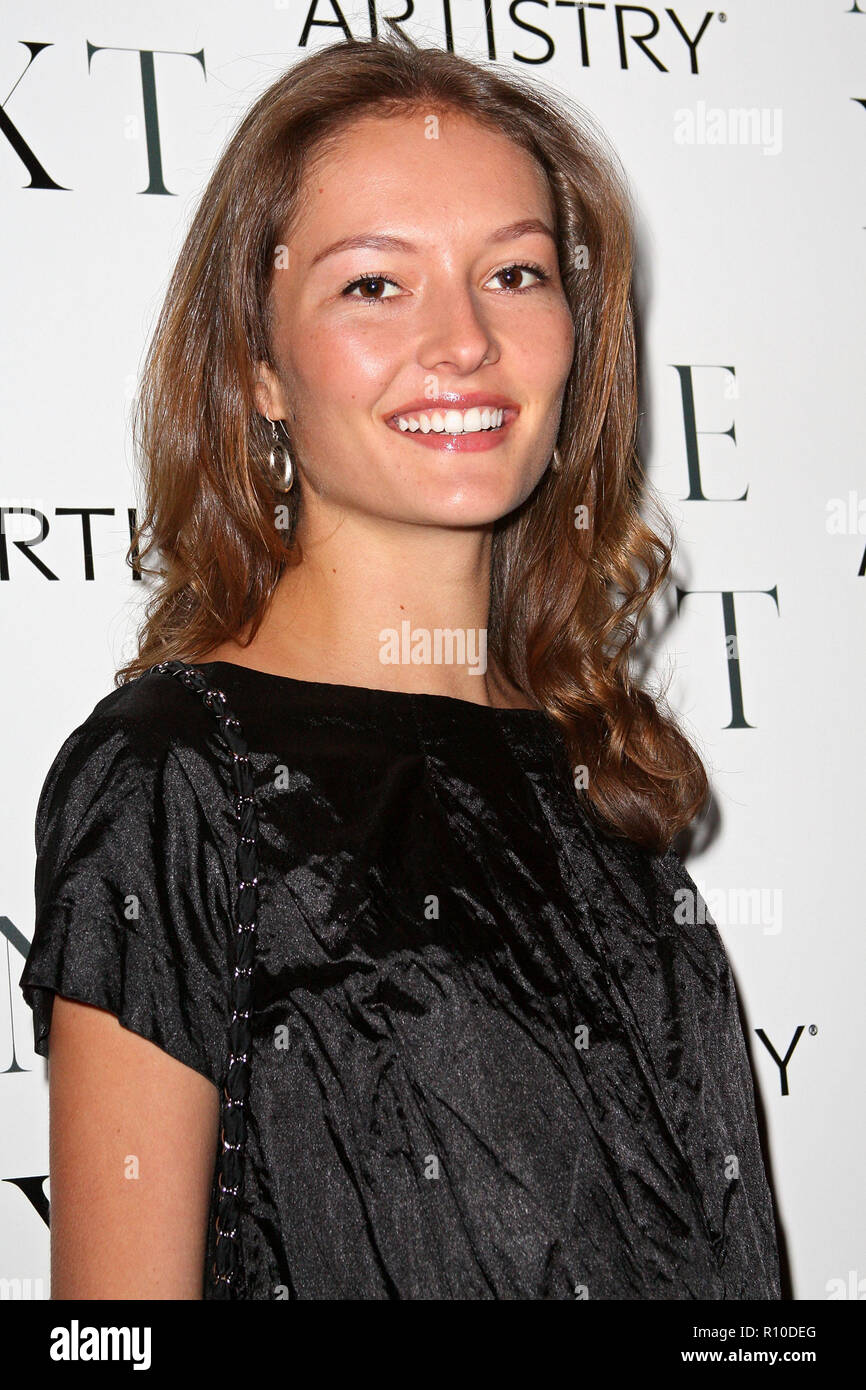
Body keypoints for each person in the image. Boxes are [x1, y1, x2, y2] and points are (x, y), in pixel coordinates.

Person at [20, 30, 781, 1300]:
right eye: (374, 284)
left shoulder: (600, 760)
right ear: (259, 367)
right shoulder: (173, 779)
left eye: (517, 274)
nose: (465, 340)